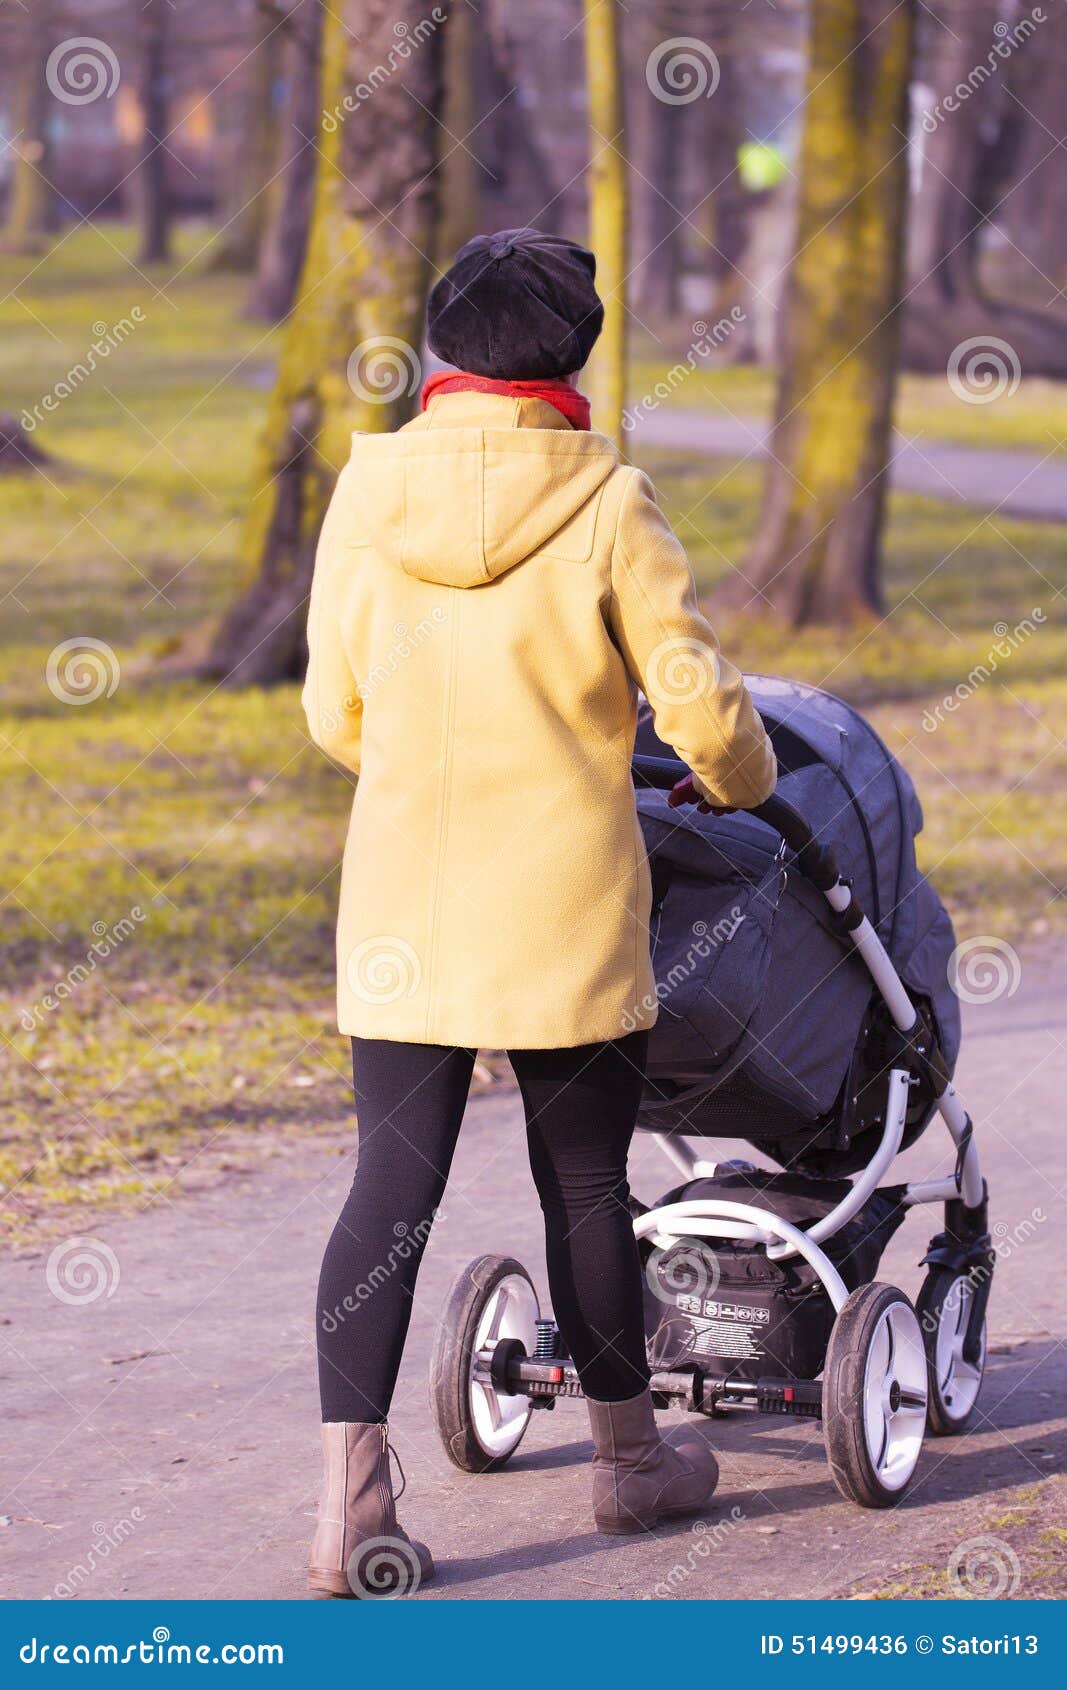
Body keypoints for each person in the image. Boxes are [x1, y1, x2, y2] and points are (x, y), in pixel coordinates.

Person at [302, 228, 776, 1597]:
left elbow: (336, 711)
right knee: (583, 1184)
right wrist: (740, 777)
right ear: (572, 357)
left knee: (386, 1192)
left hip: (403, 897)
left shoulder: (368, 490)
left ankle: (348, 1514)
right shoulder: (609, 501)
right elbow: (696, 705)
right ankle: (629, 1465)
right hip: (564, 898)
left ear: (448, 350)